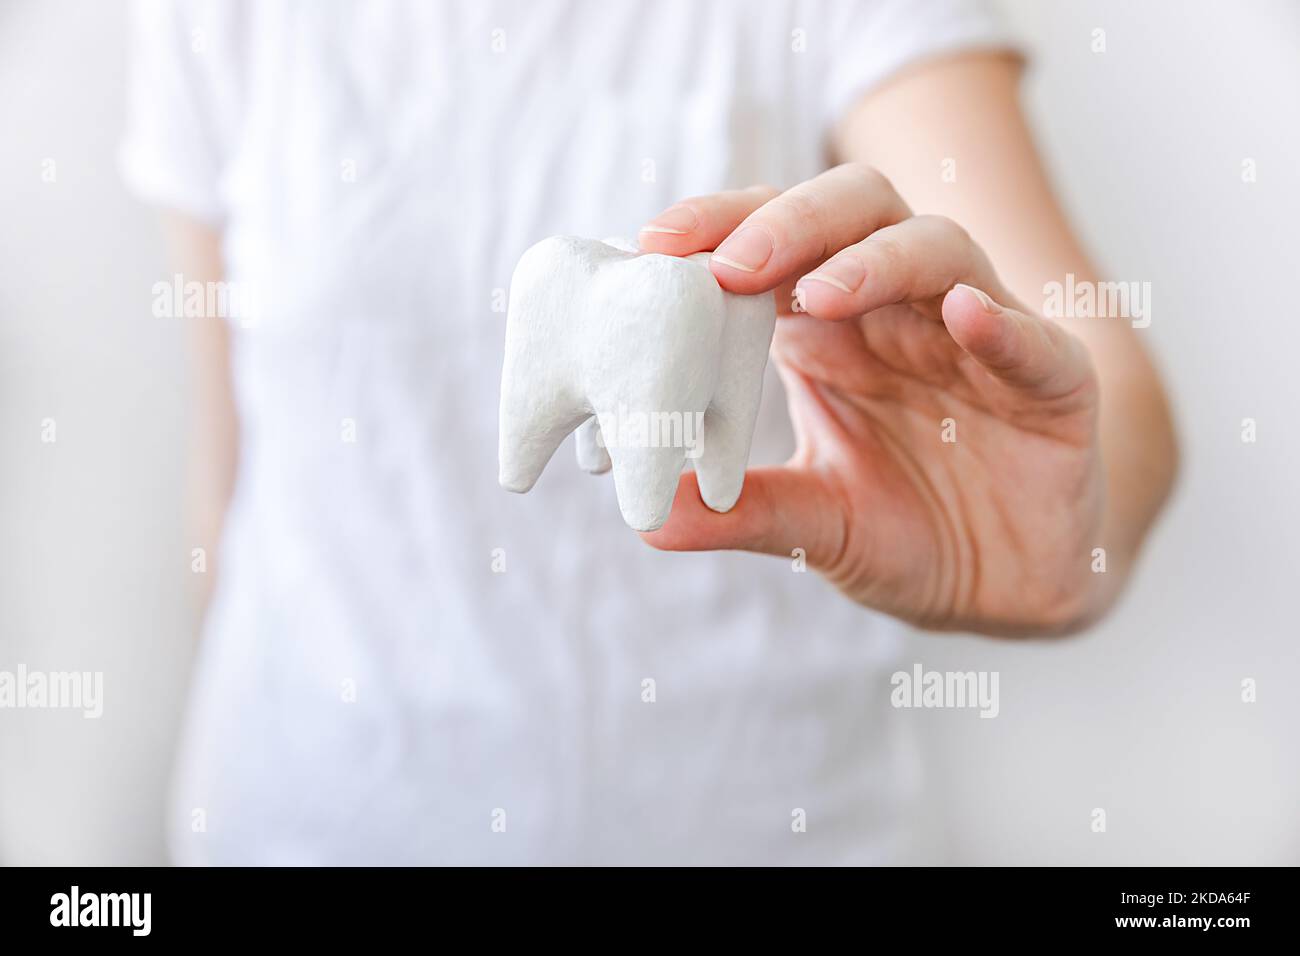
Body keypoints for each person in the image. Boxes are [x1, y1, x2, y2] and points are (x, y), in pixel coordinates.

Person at [120, 0, 1176, 864]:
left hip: (770, 828)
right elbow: (230, 468)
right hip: (305, 819)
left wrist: (1068, 533)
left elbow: (1105, 387)